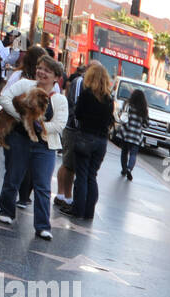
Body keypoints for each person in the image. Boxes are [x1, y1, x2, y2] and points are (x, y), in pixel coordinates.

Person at [0, 54, 65, 240]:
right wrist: (21, 118)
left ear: (56, 77)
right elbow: (4, 99)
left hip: (45, 146)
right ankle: (6, 210)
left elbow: (59, 125)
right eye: (40, 68)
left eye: (47, 71)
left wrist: (38, 126)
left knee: (42, 185)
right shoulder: (25, 85)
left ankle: (43, 225)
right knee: (13, 176)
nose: (41, 72)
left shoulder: (59, 99)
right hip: (19, 138)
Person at [64, 60, 110, 221]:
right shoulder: (109, 99)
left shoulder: (87, 94)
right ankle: (89, 213)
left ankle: (78, 209)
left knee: (82, 176)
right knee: (92, 176)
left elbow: (78, 114)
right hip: (101, 141)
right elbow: (109, 121)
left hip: (85, 137)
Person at [53, 63, 83, 211]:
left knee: (70, 165)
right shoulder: (79, 82)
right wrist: (78, 125)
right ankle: (64, 196)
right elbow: (76, 105)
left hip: (76, 130)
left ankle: (63, 196)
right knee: (68, 164)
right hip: (72, 128)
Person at [117, 86, 146, 181]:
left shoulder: (128, 105)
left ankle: (124, 169)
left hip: (126, 133)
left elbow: (121, 115)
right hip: (136, 135)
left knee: (124, 152)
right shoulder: (144, 109)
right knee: (133, 154)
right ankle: (129, 168)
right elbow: (146, 124)